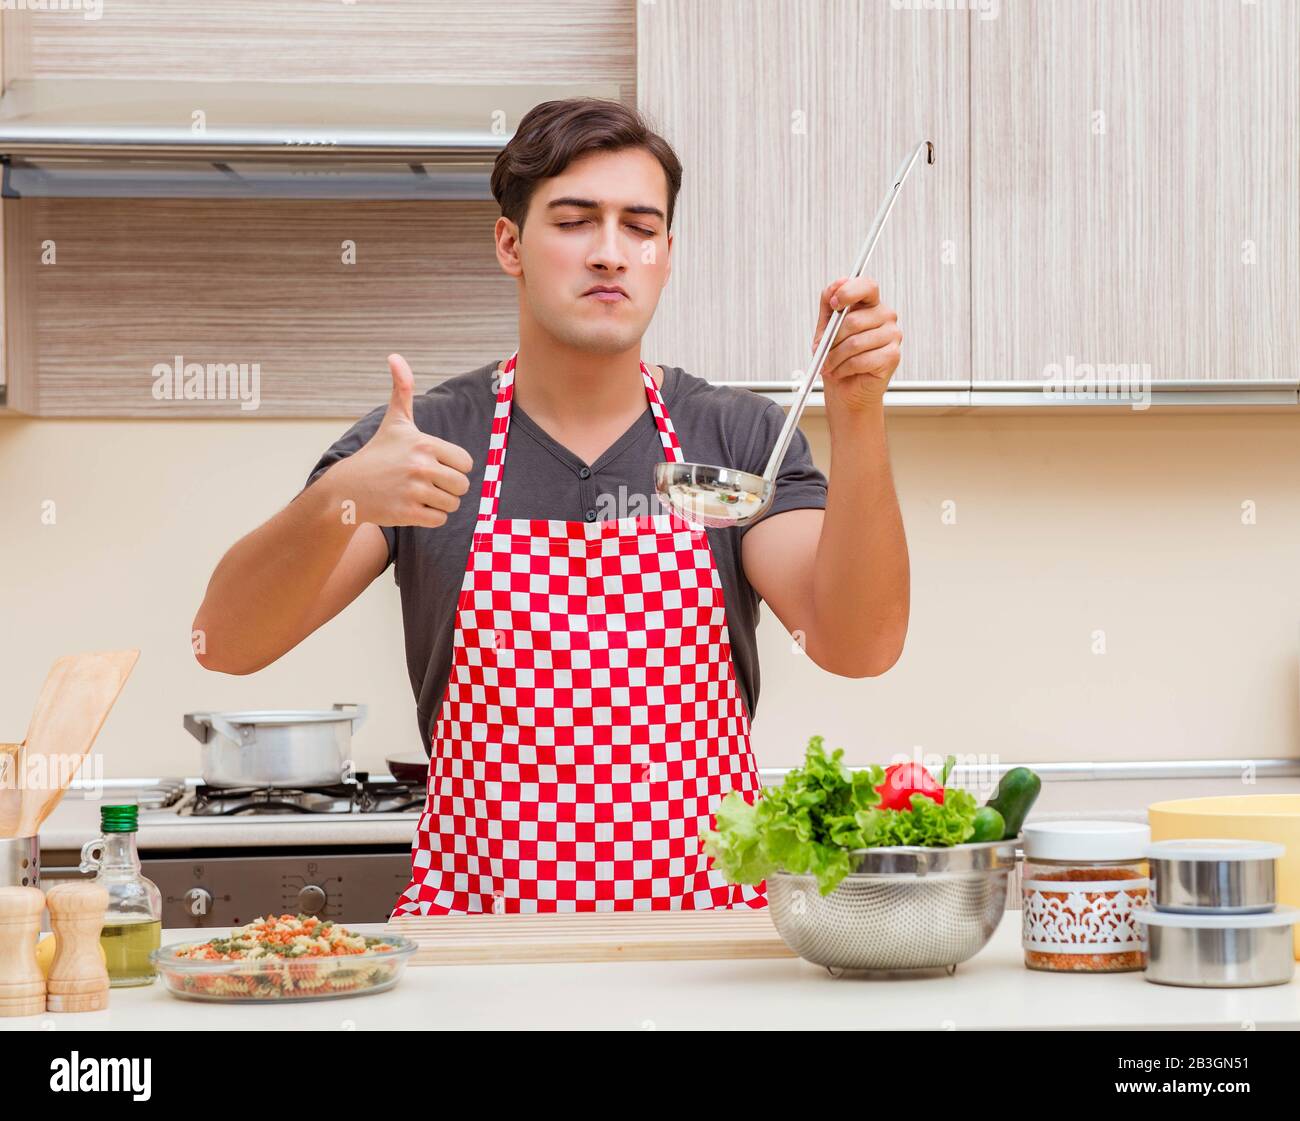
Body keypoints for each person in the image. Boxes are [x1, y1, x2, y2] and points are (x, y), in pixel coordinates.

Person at [192, 97, 909, 916]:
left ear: (666, 254)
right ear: (510, 244)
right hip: (481, 948)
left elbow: (861, 644)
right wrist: (340, 501)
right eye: (575, 221)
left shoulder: (737, 438)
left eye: (640, 227)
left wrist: (858, 413)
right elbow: (227, 642)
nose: (611, 253)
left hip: (707, 949)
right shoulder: (423, 441)